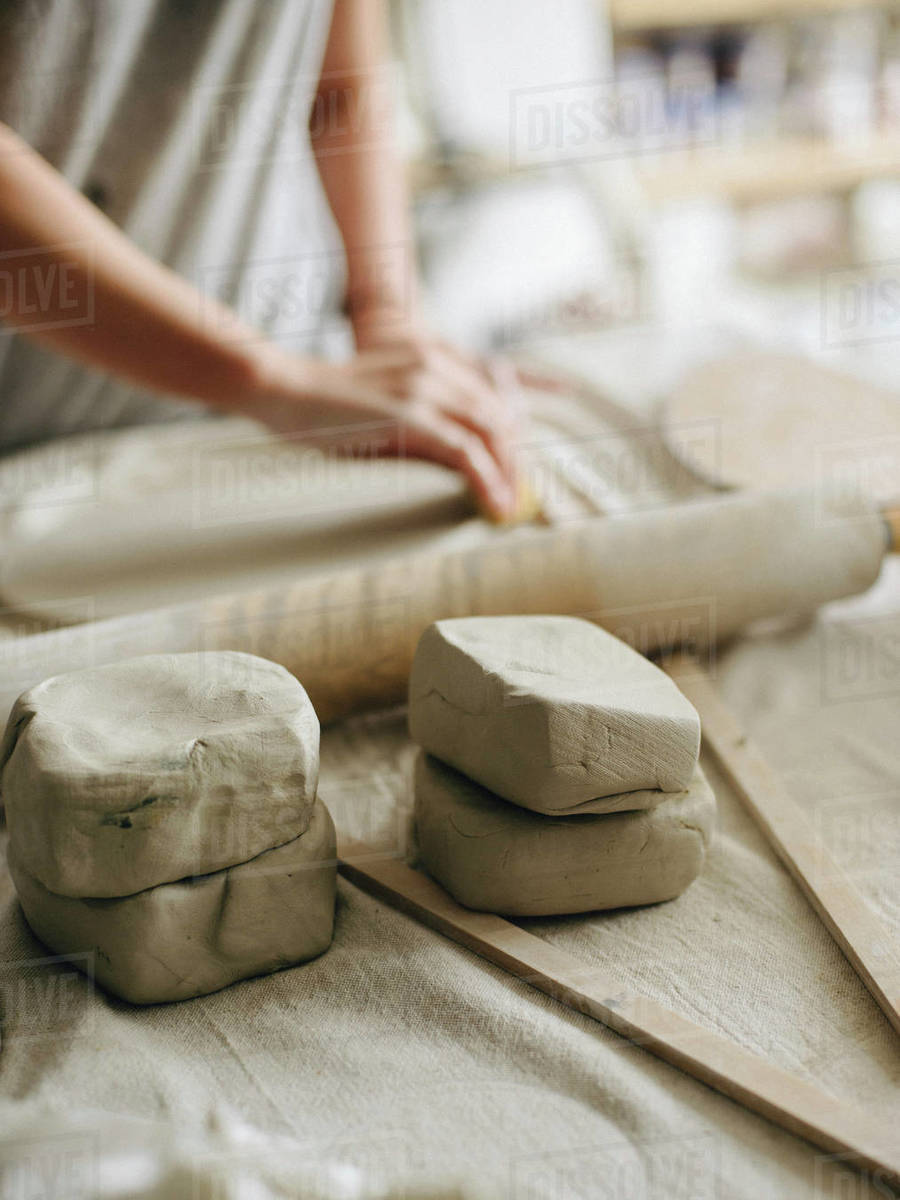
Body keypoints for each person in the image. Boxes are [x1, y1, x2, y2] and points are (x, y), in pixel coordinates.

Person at [0, 0, 518, 518]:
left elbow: (341, 92)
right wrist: (274, 382)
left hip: (302, 409)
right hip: (30, 448)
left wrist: (387, 323)